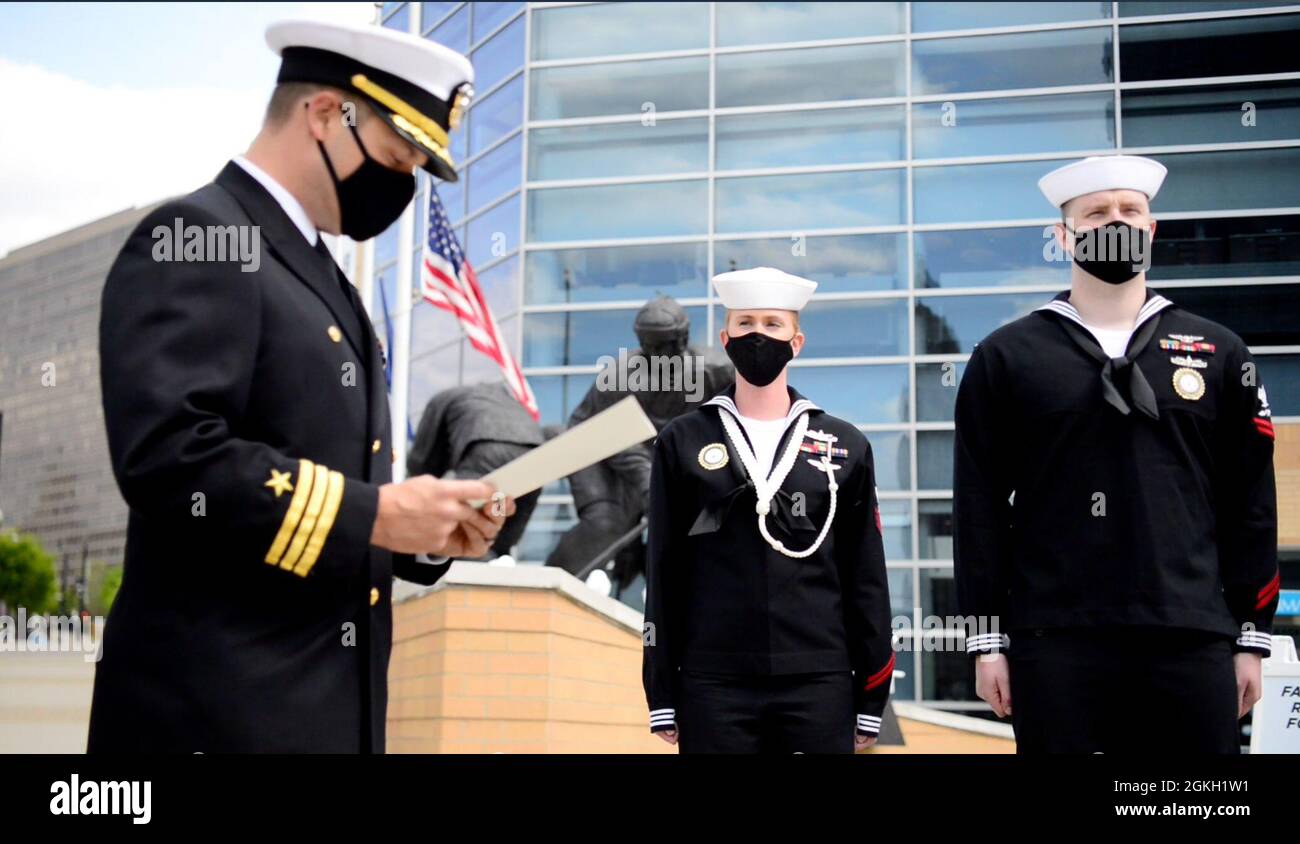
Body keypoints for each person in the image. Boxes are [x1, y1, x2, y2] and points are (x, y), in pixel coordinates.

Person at [88, 19, 515, 753]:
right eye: (394, 154)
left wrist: (427, 531)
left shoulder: (328, 283)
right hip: (212, 719)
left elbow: (325, 489)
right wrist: (376, 515)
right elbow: (170, 460)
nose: (401, 183)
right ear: (324, 114)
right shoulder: (199, 234)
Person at [953, 154, 1279, 754]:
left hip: (1191, 634)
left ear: (1152, 230)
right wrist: (986, 641)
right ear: (1063, 235)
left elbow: (1250, 504)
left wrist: (1251, 638)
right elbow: (978, 509)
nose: (1116, 222)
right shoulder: (1006, 357)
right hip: (1055, 640)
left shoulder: (1219, 351)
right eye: (1096, 213)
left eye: (1131, 210)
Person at [642, 267, 895, 753]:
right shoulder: (683, 439)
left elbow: (865, 575)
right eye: (745, 323)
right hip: (713, 679)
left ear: (796, 342)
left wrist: (871, 693)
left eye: (773, 325)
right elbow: (665, 569)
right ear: (725, 337)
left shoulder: (843, 443)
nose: (758, 335)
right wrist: (662, 690)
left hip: (819, 679)